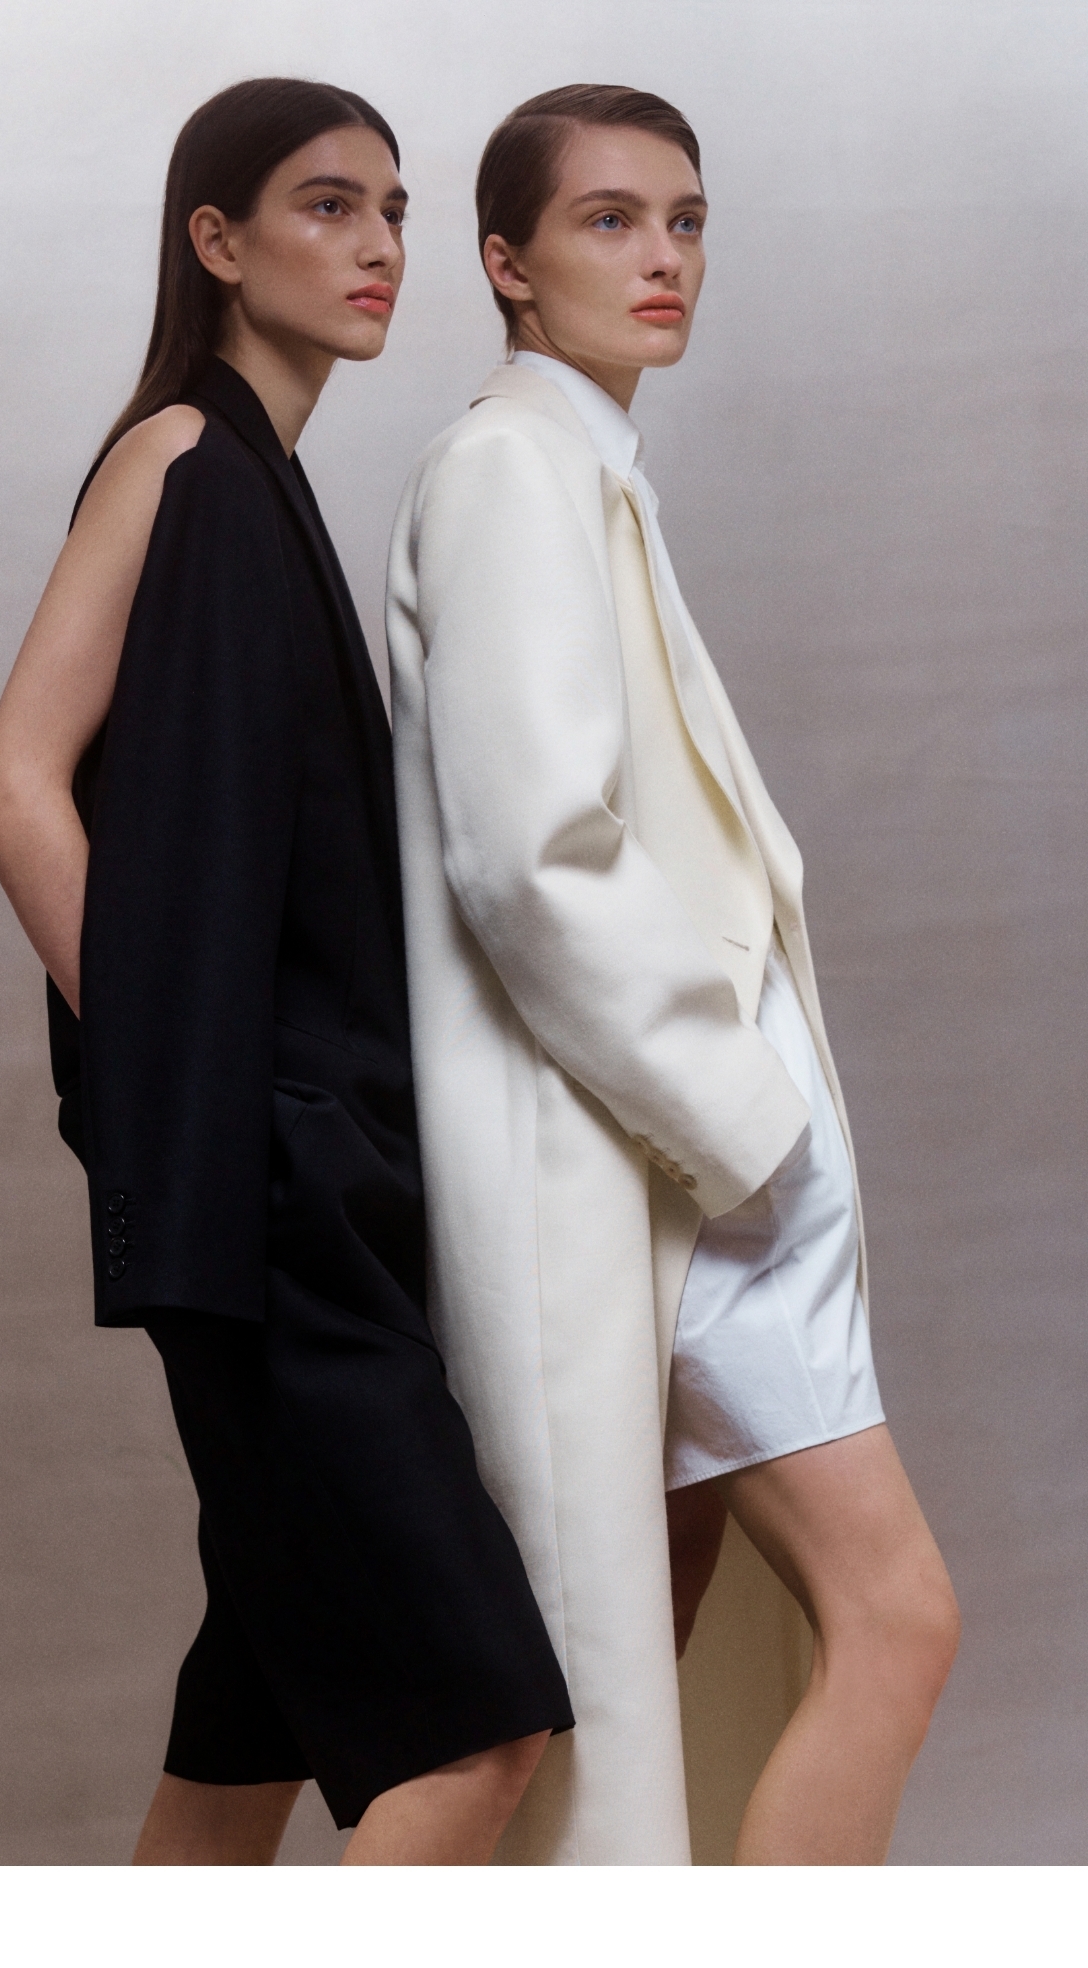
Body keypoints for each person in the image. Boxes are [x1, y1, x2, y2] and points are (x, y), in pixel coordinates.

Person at [0, 77, 572, 1867]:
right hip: (278, 1199)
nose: (378, 244)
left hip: (316, 1181)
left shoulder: (262, 482)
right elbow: (13, 785)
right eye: (326, 205)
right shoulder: (182, 456)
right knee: (475, 1736)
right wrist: (194, 1083)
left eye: (393, 209)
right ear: (216, 242)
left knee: (246, 1749)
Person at [386, 84, 960, 1864]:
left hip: (692, 1167)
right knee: (894, 1620)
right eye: (611, 221)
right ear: (508, 262)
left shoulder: (586, 473)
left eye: (688, 221)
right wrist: (748, 1126)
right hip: (685, 1170)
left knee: (632, 1655)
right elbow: (532, 853)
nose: (665, 259)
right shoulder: (510, 471)